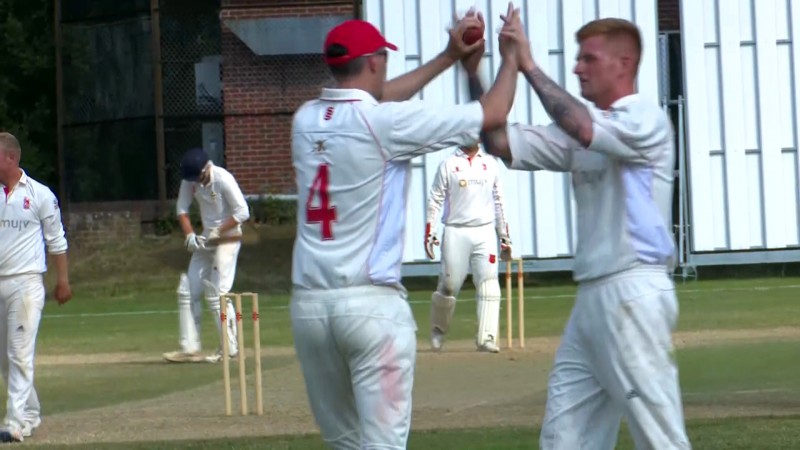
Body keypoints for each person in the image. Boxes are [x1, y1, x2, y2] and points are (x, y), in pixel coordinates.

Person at [289, 5, 520, 448]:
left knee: (346, 445)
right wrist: (510, 56)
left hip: (310, 310)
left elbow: (371, 102)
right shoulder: (385, 122)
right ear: (375, 61)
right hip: (370, 305)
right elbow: (492, 113)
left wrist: (448, 57)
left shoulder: (305, 120)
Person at [475, 6, 692, 449]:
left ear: (624, 64)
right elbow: (497, 141)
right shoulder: (582, 130)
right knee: (564, 438)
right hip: (592, 298)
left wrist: (530, 64)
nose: (577, 67)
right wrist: (482, 65)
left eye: (589, 58)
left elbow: (583, 126)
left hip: (633, 293)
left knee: (660, 438)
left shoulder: (642, 119)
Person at [0, 132, 72, 442]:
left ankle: (14, 422)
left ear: (11, 159)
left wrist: (63, 281)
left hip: (26, 283)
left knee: (19, 353)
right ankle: (29, 412)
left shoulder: (40, 194)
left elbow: (56, 240)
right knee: (4, 358)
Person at [162, 147, 249, 364]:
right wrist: (190, 235)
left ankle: (230, 348)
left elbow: (242, 212)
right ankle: (189, 347)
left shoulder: (222, 179)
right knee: (188, 290)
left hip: (228, 239)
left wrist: (219, 230)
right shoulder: (191, 179)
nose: (197, 184)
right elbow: (182, 208)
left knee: (216, 292)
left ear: (206, 168)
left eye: (200, 178)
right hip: (205, 240)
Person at [424, 142, 511, 353]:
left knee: (489, 282)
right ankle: (438, 330)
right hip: (456, 230)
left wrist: (504, 236)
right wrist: (430, 232)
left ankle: (487, 338)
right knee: (449, 284)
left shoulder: (490, 163)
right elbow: (435, 199)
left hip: (484, 231)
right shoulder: (448, 164)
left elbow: (498, 201)